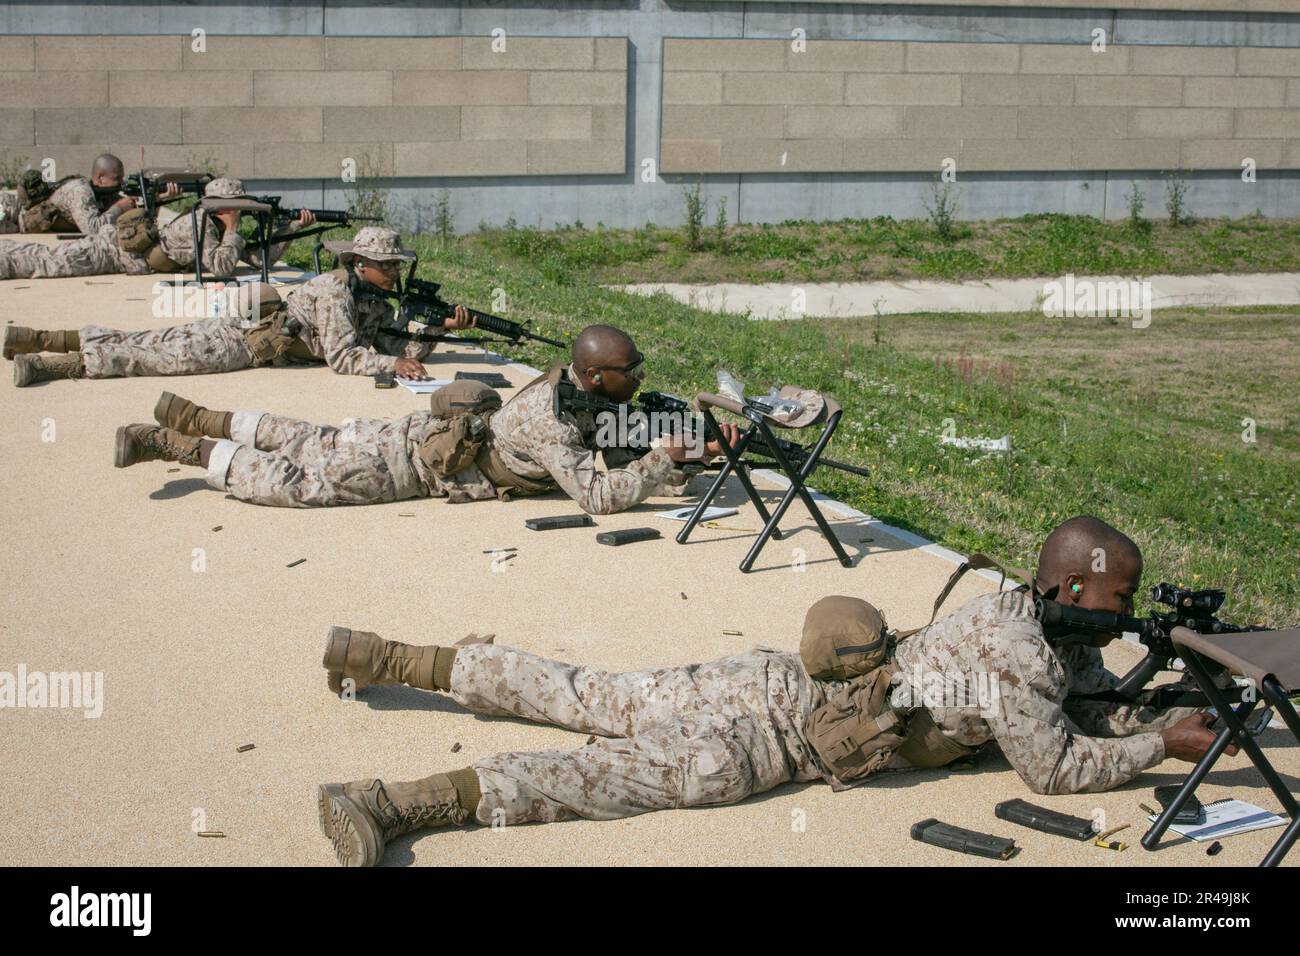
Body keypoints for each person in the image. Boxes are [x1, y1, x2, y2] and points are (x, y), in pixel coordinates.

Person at [309, 515, 1230, 866]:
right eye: (1123, 598)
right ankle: (392, 804)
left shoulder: (1025, 618)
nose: (1131, 610)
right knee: (590, 780)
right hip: (769, 742)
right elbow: (1055, 767)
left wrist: (1167, 692)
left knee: (590, 692)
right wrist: (1164, 743)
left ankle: (387, 658)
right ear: (1072, 591)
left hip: (765, 676)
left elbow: (1089, 699)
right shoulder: (1022, 657)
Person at [110, 324, 741, 515]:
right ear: (598, 376)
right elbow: (600, 497)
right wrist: (666, 458)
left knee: (311, 436)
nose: (641, 377)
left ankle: (198, 414)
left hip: (419, 434)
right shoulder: (555, 419)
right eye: (633, 369)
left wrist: (697, 452)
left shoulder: (575, 386)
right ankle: (178, 444)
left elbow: (617, 442)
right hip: (410, 464)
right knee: (298, 482)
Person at [7, 226, 465, 386]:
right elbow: (344, 358)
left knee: (147, 341)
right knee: (150, 355)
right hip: (244, 343)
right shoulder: (334, 289)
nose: (396, 274)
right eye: (389, 266)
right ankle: (52, 363)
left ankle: (40, 340)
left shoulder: (372, 296)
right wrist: (393, 365)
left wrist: (438, 330)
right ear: (362, 263)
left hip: (245, 327)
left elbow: (390, 343)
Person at [0, 176, 311, 284]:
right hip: (113, 251)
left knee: (45, 258)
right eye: (238, 206)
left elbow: (259, 261)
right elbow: (221, 267)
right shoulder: (202, 224)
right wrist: (233, 230)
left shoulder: (214, 224)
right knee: (46, 262)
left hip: (126, 255)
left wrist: (291, 228)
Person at [0, 153, 135, 235]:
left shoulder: (98, 192)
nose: (121, 183)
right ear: (100, 178)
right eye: (117, 179)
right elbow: (93, 229)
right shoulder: (80, 192)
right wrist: (119, 208)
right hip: (10, 213)